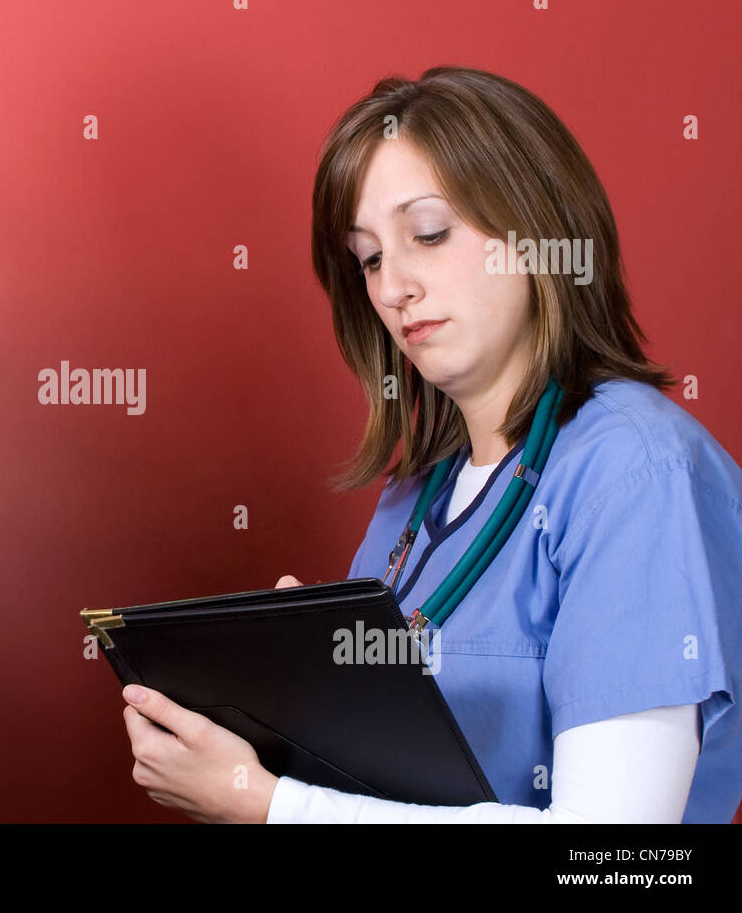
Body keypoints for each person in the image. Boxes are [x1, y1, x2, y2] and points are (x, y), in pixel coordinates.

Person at [121, 66, 742, 824]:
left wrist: (269, 803)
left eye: (430, 233)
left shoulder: (636, 470)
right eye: (371, 257)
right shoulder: (412, 504)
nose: (394, 287)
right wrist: (295, 701)